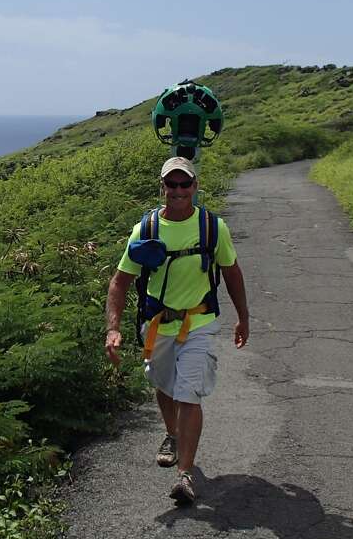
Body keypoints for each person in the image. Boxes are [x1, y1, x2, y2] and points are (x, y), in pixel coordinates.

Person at [105, 156, 250, 504]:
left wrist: (243, 317)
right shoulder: (146, 230)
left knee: (189, 393)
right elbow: (119, 283)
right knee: (163, 384)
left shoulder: (213, 228)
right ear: (163, 188)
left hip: (198, 322)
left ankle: (184, 474)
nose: (179, 191)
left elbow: (232, 273)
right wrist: (113, 329)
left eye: (185, 184)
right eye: (172, 184)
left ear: (195, 187)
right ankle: (171, 433)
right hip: (158, 325)